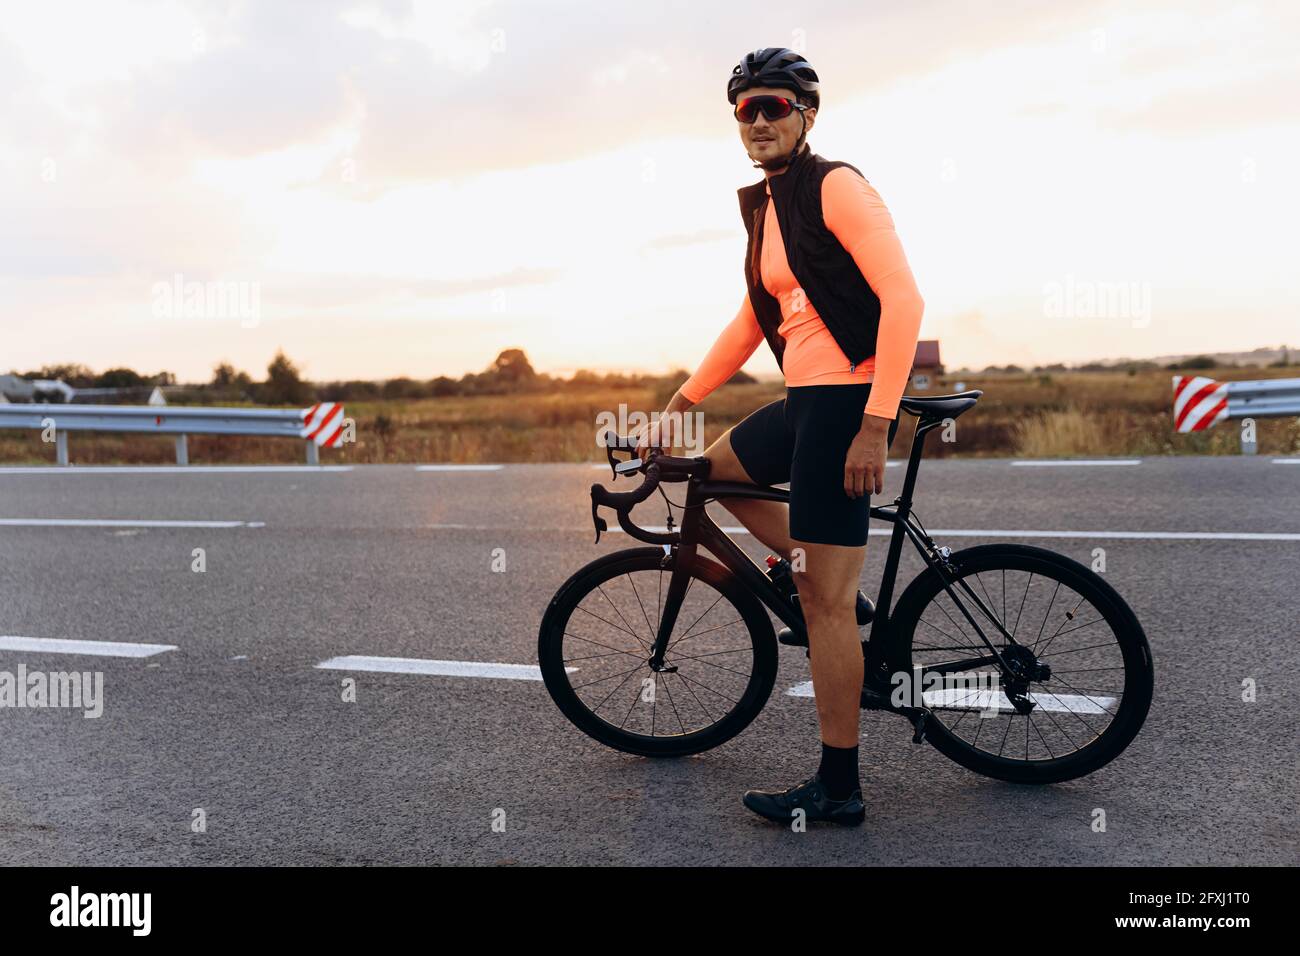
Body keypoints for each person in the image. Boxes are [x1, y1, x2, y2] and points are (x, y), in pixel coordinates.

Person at [634, 47, 924, 825]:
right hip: (806, 398)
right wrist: (680, 401)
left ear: (807, 114)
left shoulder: (836, 187)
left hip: (847, 402)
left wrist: (874, 424)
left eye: (775, 106)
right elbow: (749, 320)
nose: (759, 120)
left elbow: (904, 302)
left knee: (818, 604)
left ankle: (839, 787)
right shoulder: (768, 206)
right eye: (746, 109)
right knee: (714, 473)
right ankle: (826, 576)